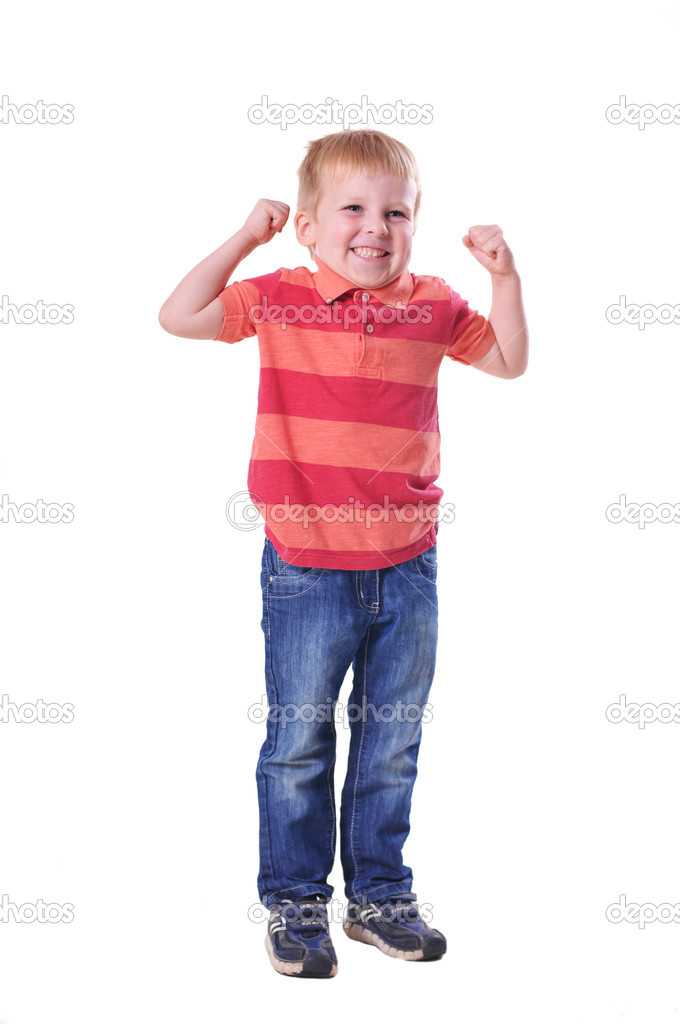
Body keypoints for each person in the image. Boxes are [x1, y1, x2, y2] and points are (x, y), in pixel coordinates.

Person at [158, 128, 528, 979]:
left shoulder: (434, 304)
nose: (375, 226)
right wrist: (244, 236)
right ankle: (295, 904)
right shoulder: (280, 296)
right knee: (297, 742)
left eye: (396, 211)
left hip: (408, 563)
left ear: (416, 224)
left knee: (391, 740)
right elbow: (178, 316)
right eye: (353, 209)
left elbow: (508, 361)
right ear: (311, 228)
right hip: (306, 566)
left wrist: (504, 277)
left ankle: (379, 897)